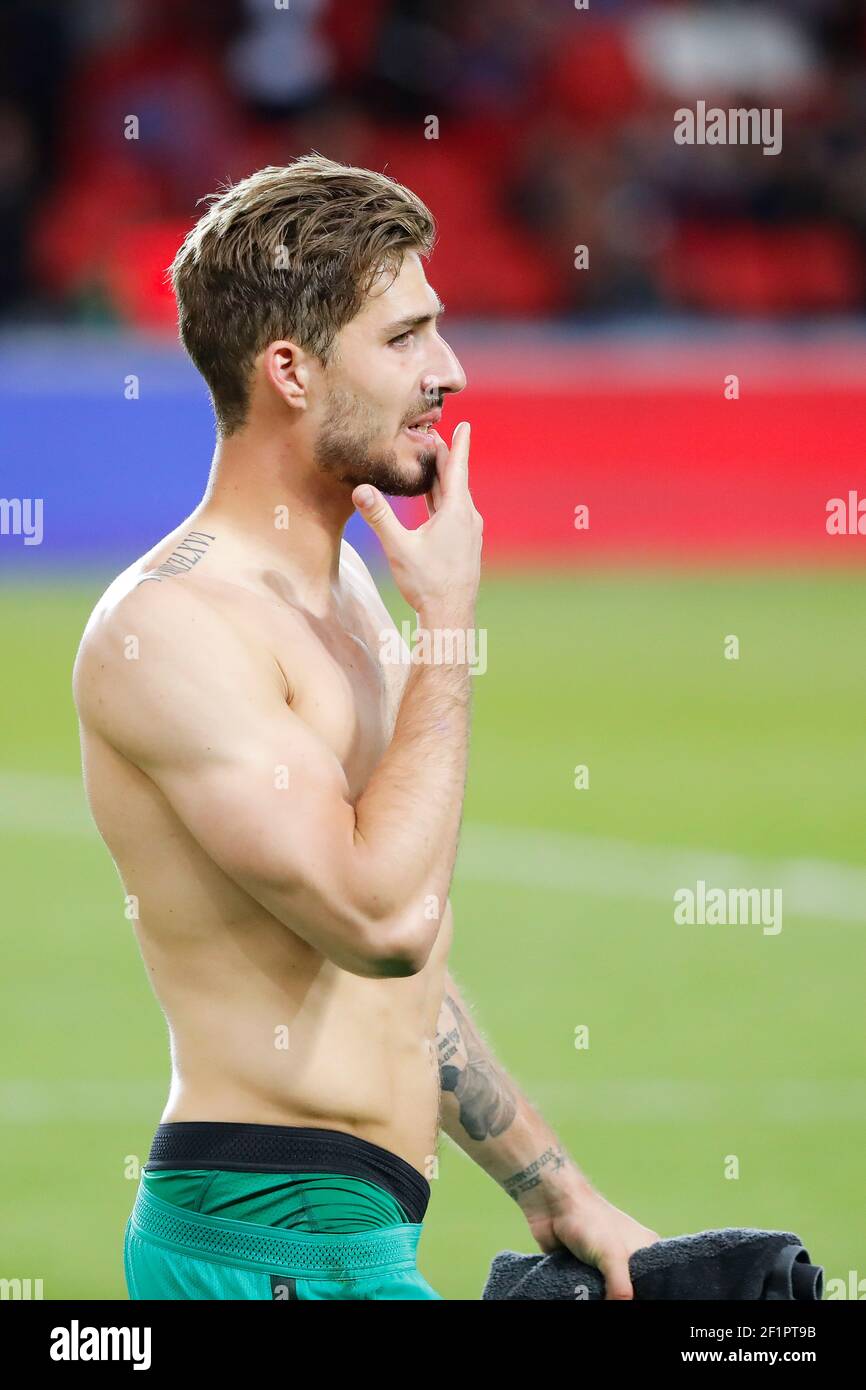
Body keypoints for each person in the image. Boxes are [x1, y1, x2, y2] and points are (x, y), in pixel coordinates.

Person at [73, 154, 658, 1300]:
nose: (447, 371)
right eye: (404, 337)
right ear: (289, 369)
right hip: (263, 1239)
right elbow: (378, 921)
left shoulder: (341, 591)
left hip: (347, 1232)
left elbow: (407, 985)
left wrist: (552, 1186)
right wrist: (446, 622)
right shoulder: (173, 627)